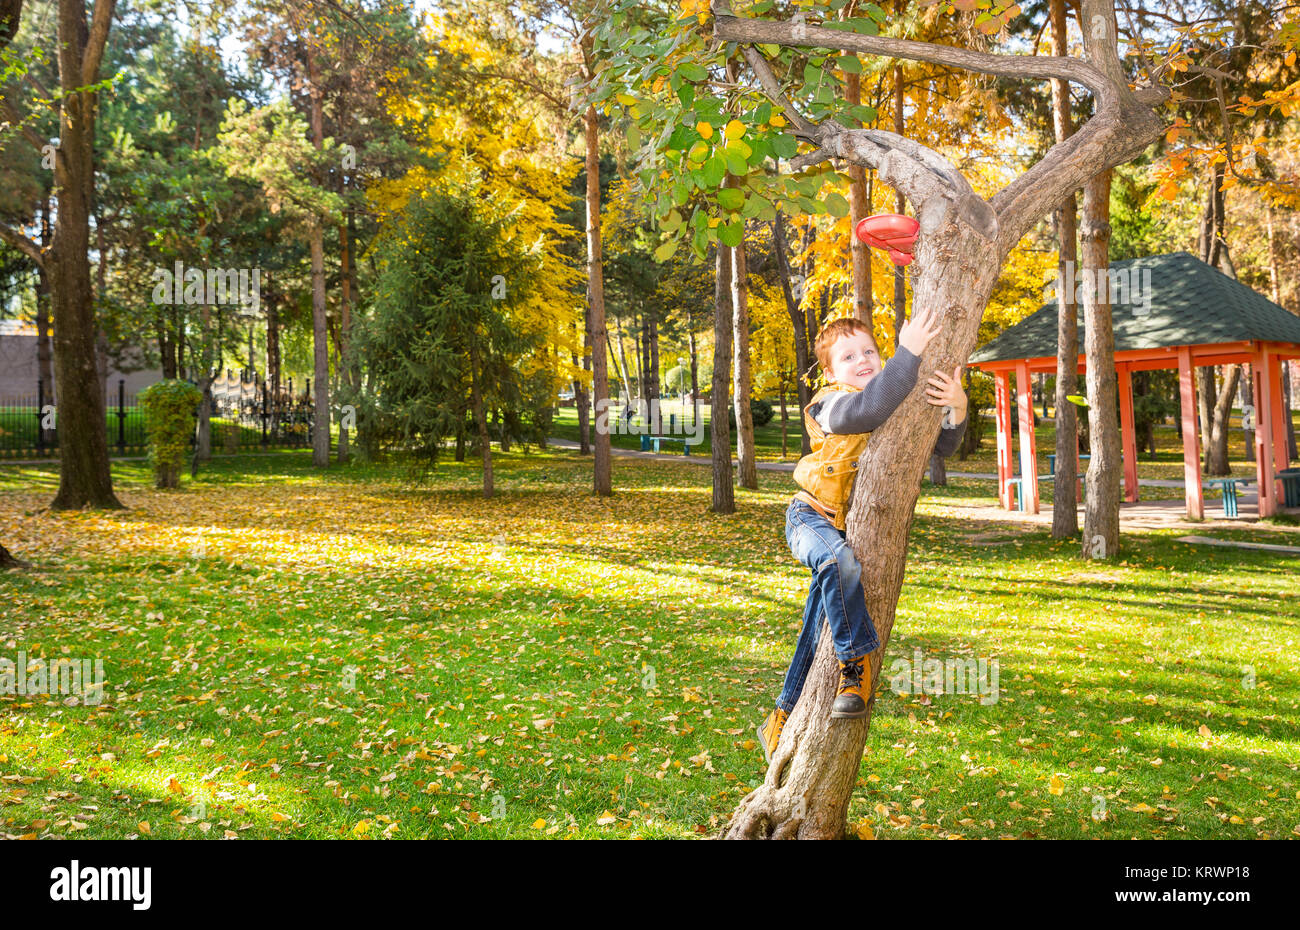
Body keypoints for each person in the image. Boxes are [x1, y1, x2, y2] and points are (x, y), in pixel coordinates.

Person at [757, 309, 968, 764]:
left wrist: (957, 407)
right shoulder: (829, 406)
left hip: (839, 531)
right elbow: (867, 408)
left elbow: (941, 447)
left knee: (816, 627)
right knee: (837, 561)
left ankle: (781, 713)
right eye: (848, 356)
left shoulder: (891, 404)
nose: (864, 359)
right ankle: (858, 666)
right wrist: (908, 350)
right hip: (808, 517)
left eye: (870, 350)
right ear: (830, 373)